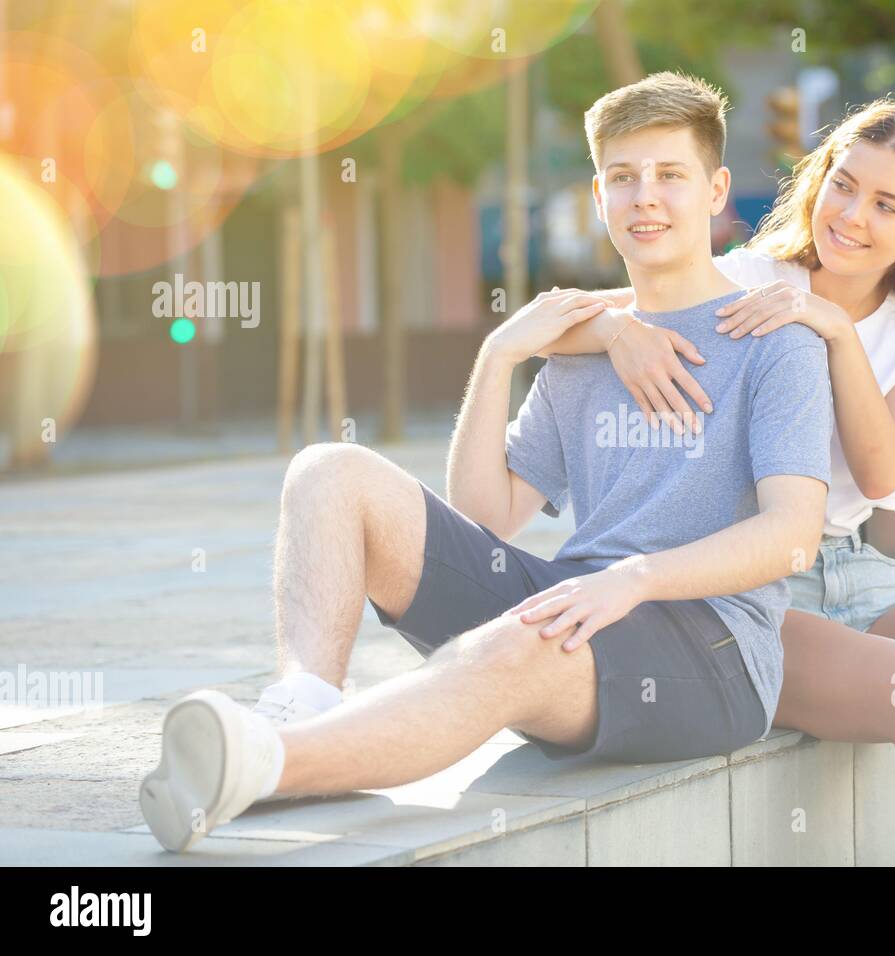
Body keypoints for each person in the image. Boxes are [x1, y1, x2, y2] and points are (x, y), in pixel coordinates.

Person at [138, 72, 835, 854]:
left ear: (715, 192)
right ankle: (304, 703)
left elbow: (793, 535)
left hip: (711, 652)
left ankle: (263, 765)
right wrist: (501, 353)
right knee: (328, 470)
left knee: (523, 638)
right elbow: (485, 518)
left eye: (670, 176)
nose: (645, 198)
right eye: (622, 178)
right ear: (598, 197)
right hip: (577, 602)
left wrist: (634, 577)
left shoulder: (776, 342)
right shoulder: (580, 350)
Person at [544, 95, 895, 866]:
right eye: (842, 184)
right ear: (819, 179)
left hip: (863, 573)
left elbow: (881, 471)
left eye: (887, 204)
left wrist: (835, 331)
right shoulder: (747, 277)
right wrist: (615, 329)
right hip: (757, 583)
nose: (851, 215)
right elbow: (562, 323)